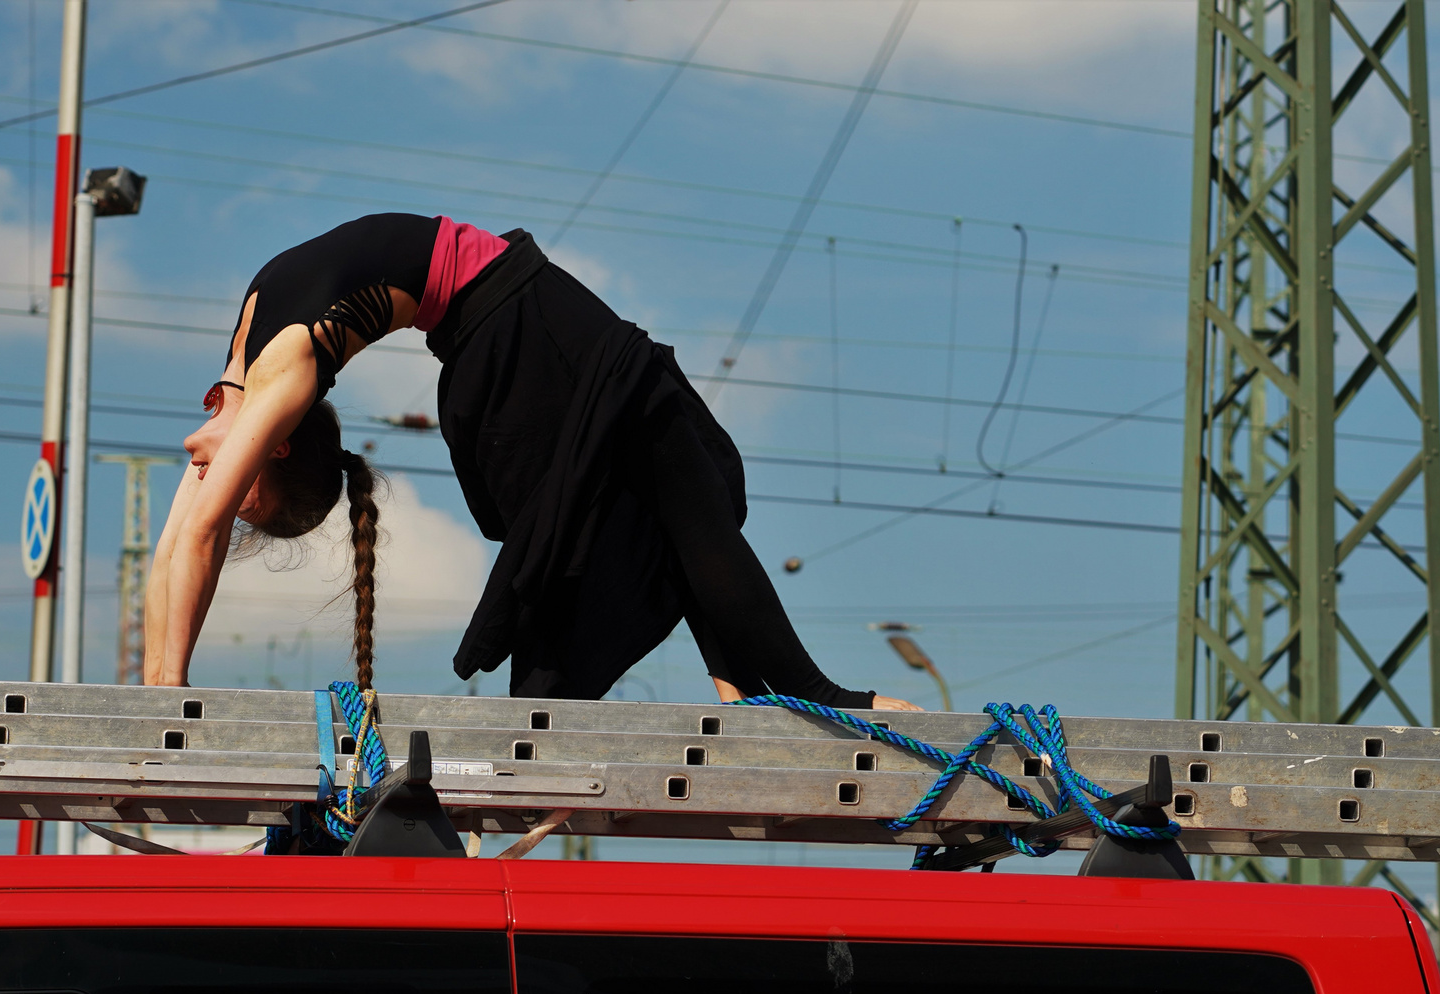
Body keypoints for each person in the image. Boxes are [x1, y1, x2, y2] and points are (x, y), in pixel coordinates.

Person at [142, 213, 918, 713]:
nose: (222, 484)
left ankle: (783, 687)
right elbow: (176, 548)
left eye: (246, 494)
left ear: (274, 447)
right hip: (491, 341)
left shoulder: (279, 378)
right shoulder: (236, 384)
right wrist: (153, 691)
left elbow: (202, 532)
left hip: (517, 317)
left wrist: (172, 696)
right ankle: (752, 684)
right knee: (633, 497)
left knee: (675, 466)